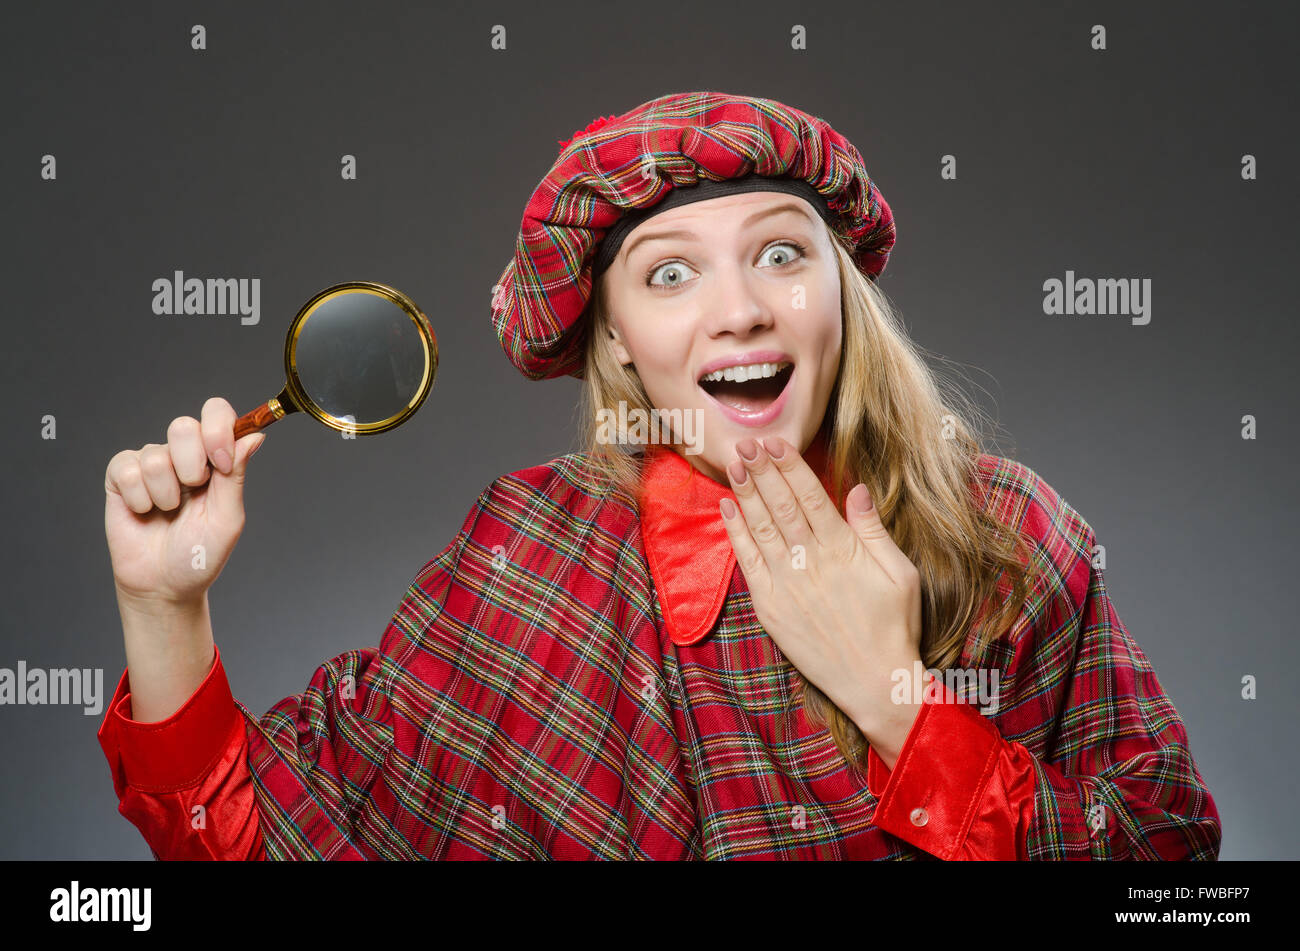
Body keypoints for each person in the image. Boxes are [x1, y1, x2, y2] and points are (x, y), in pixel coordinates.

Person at [99, 90, 1221, 860]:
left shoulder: (1009, 535)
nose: (739, 308)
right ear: (620, 336)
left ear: (840, 293)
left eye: (781, 253)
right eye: (671, 273)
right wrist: (163, 601)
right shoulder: (532, 550)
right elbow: (256, 838)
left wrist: (897, 705)